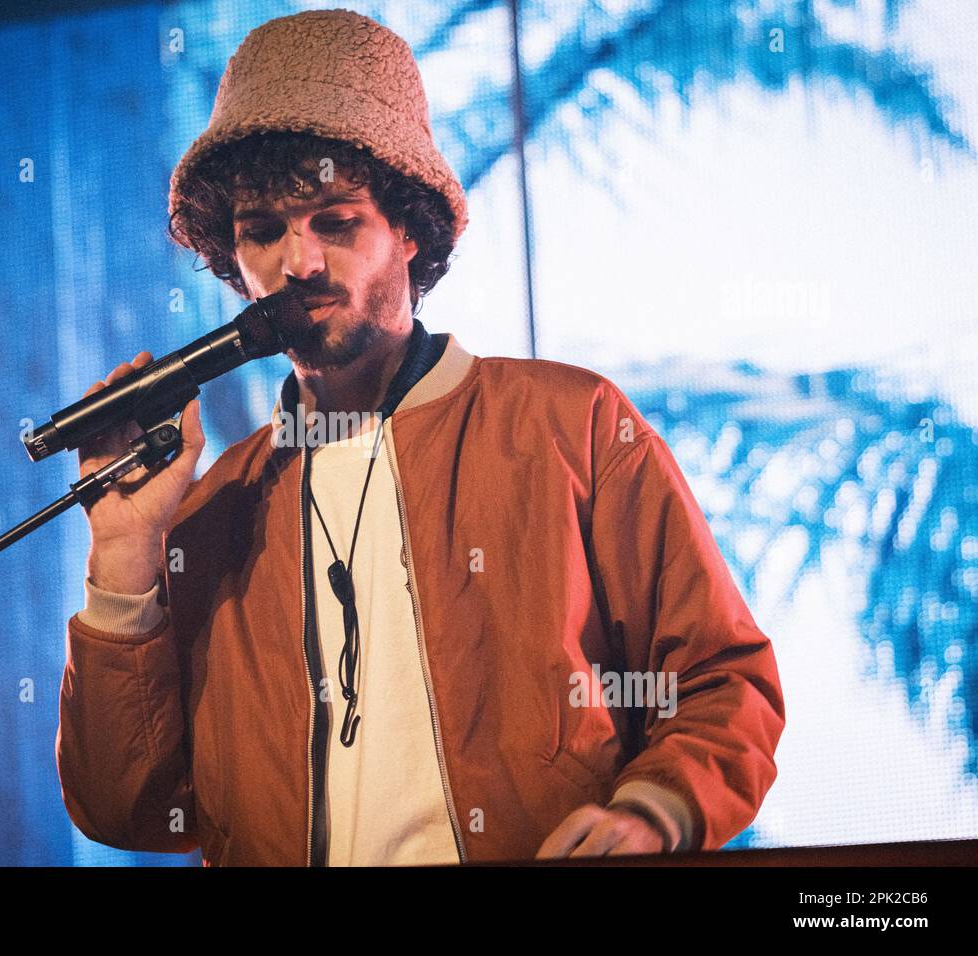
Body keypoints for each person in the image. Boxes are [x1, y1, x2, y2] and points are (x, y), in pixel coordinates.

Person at [56, 8, 784, 866]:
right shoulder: (213, 508)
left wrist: (656, 809)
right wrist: (127, 551)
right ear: (234, 258)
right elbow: (123, 809)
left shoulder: (571, 426)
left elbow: (721, 681)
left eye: (335, 220)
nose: (298, 264)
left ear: (407, 227)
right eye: (262, 231)